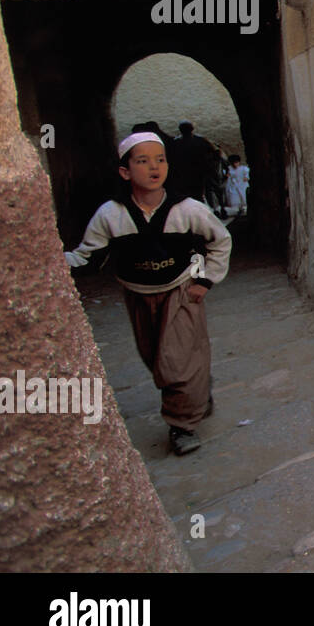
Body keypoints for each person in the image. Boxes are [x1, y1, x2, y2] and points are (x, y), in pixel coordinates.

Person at [64, 131, 232, 455]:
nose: (154, 167)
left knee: (174, 363)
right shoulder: (110, 215)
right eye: (142, 161)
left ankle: (181, 426)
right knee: (155, 358)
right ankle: (196, 391)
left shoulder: (188, 209)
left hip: (181, 291)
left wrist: (204, 281)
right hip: (138, 296)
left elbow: (219, 240)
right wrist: (50, 259)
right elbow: (89, 256)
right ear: (125, 171)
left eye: (160, 159)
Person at [167, 119, 217, 205]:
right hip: (198, 173)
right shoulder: (201, 140)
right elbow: (213, 154)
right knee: (198, 194)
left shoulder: (176, 142)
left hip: (185, 173)